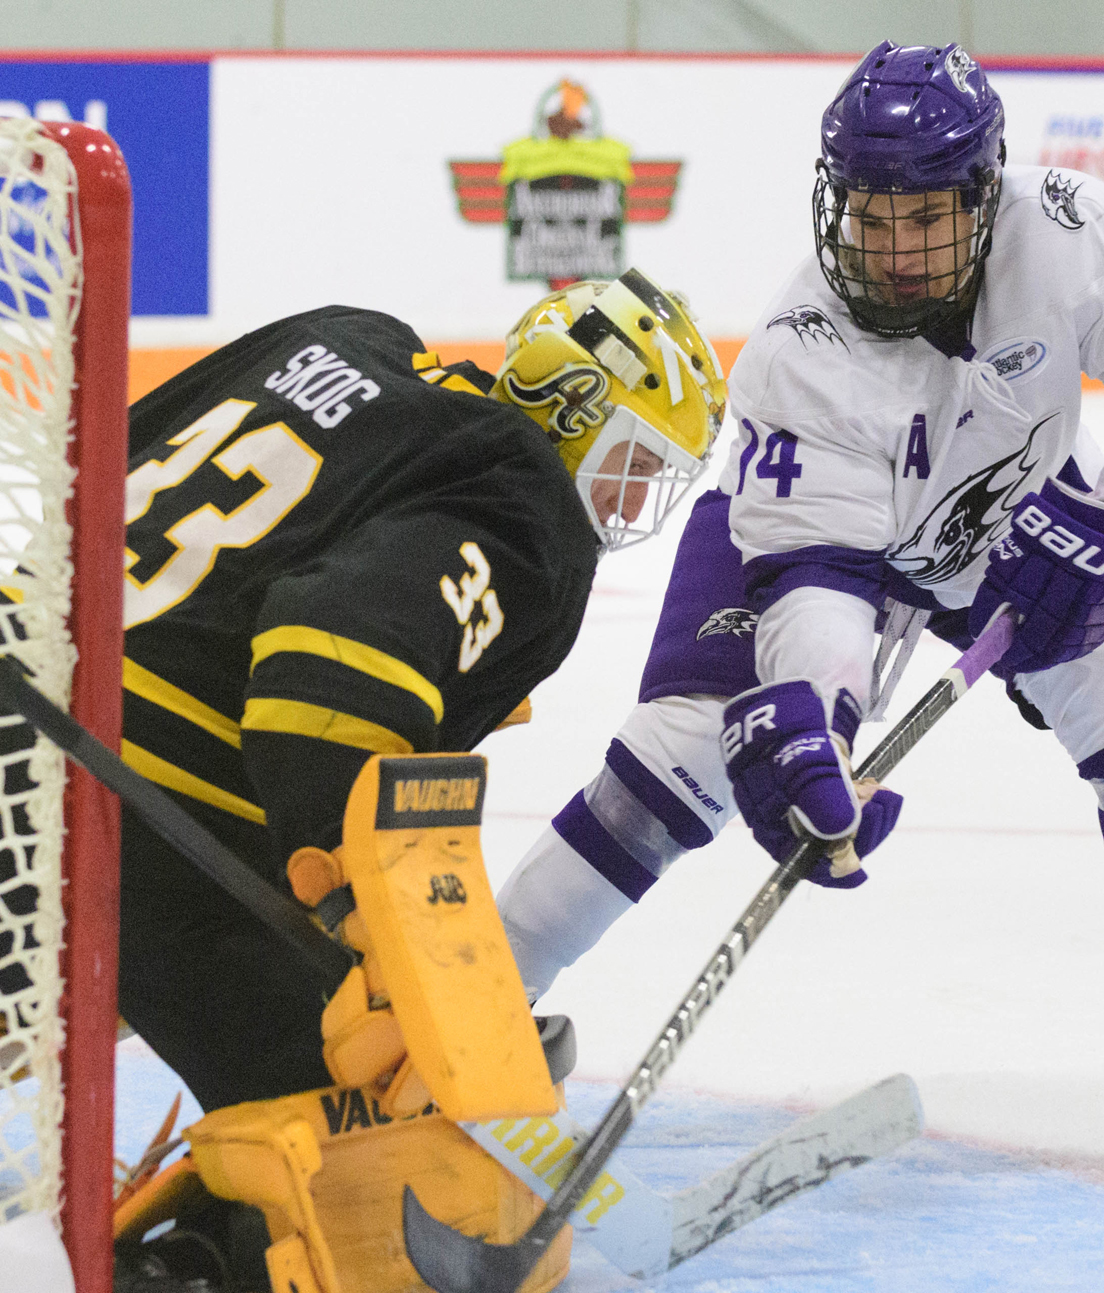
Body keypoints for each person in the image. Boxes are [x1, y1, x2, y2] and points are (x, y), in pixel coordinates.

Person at [496, 42, 1104, 1158]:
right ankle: (473, 999)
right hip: (823, 551)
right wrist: (815, 730)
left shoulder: (1068, 233)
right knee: (682, 761)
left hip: (1027, 514)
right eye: (872, 216)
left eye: (925, 219)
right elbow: (821, 584)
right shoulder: (798, 351)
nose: (896, 251)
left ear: (984, 194)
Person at [85, 270, 724, 1289]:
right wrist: (384, 936)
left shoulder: (341, 336)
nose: (627, 502)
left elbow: (104, 462)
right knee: (374, 1139)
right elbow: (322, 688)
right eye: (631, 465)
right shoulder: (526, 502)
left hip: (32, 719)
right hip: (122, 819)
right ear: (573, 413)